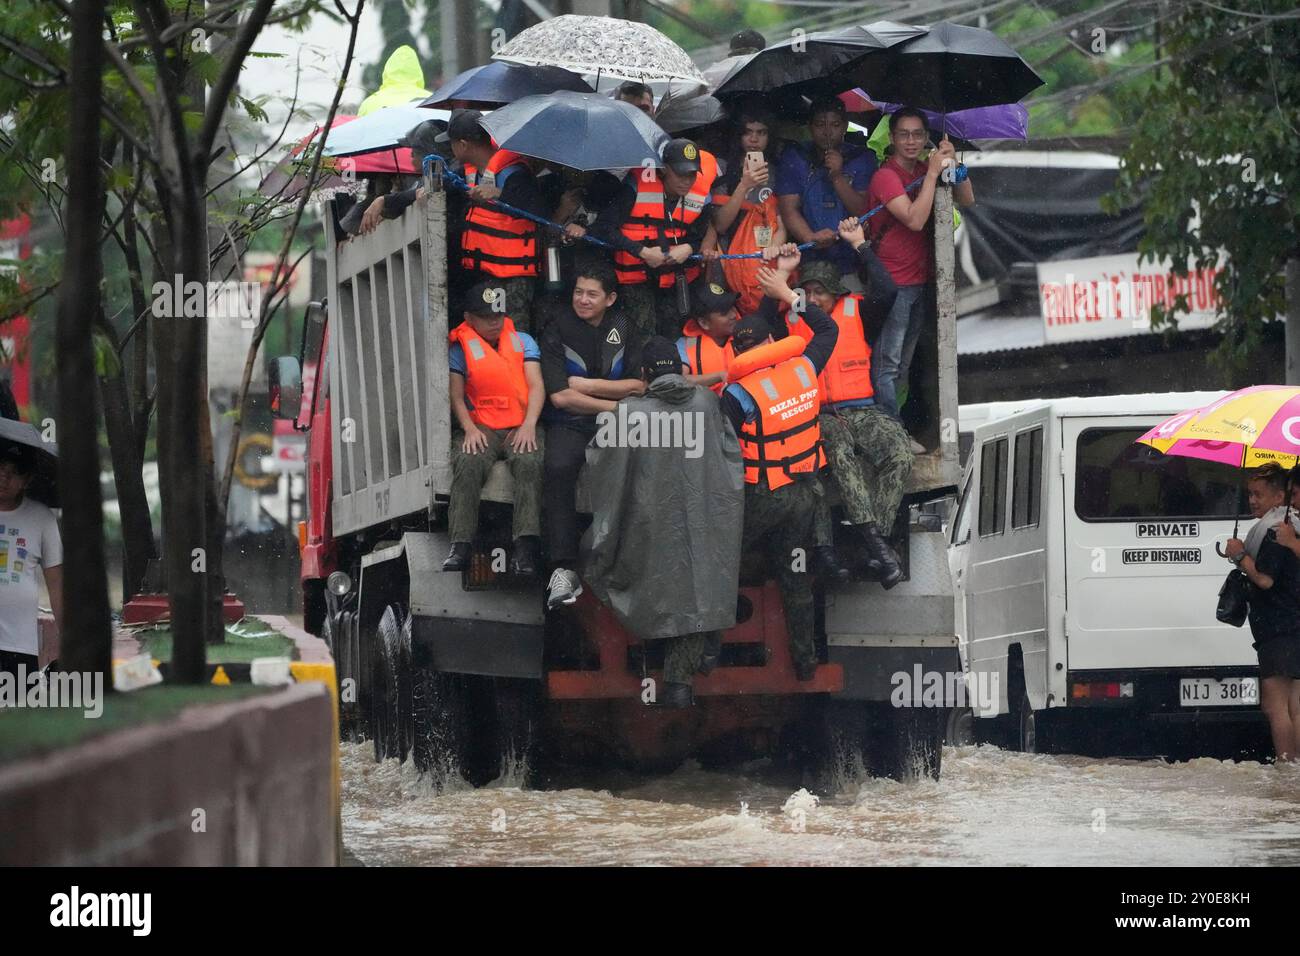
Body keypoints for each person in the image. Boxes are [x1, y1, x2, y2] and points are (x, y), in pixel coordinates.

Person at [581, 337, 744, 709]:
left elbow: (600, 468)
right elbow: (732, 456)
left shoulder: (628, 413)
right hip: (702, 522)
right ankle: (684, 677)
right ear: (683, 371)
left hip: (646, 527)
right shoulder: (708, 404)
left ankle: (666, 667)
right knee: (699, 588)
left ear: (643, 375)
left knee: (651, 583)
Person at [719, 246, 838, 680]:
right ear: (771, 343)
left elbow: (722, 452)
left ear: (737, 351)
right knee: (794, 576)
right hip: (804, 496)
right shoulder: (805, 368)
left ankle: (709, 652)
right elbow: (826, 330)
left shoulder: (737, 394)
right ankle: (805, 661)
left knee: (722, 564)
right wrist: (789, 295)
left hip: (762, 498)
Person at [781, 219, 909, 587]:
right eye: (807, 292)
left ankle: (877, 539)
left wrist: (861, 246)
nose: (814, 298)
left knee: (899, 452)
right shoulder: (792, 321)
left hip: (863, 409)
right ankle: (876, 547)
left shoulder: (859, 313)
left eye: (820, 291)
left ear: (836, 292)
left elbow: (887, 290)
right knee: (841, 458)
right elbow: (756, 320)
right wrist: (783, 273)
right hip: (818, 415)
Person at [541, 261, 646, 608]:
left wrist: (588, 386)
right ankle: (563, 570)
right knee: (558, 467)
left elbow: (639, 385)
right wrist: (614, 404)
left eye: (592, 294)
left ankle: (631, 559)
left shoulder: (624, 327)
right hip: (569, 422)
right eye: (578, 292)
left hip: (613, 425)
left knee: (640, 470)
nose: (583, 300)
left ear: (610, 298)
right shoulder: (556, 325)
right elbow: (560, 396)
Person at [865, 108, 975, 430]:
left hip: (919, 281)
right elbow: (914, 220)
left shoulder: (931, 167)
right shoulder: (885, 176)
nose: (911, 141)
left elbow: (967, 199)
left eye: (917, 134)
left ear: (926, 137)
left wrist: (954, 164)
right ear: (893, 139)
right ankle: (889, 432)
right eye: (903, 134)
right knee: (887, 363)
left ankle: (891, 424)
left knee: (903, 365)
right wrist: (931, 175)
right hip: (892, 284)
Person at [442, 282, 546, 575]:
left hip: (520, 426)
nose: (494, 322)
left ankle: (525, 547)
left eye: (498, 316)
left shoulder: (523, 341)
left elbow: (536, 385)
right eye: (486, 317)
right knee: (468, 461)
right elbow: (456, 395)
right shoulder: (460, 348)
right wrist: (469, 429)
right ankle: (460, 544)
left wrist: (529, 425)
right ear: (469, 317)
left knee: (529, 462)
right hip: (482, 427)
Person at [592, 138, 718, 340]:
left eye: (692, 174)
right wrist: (643, 252)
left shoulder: (699, 197)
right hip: (635, 281)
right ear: (665, 169)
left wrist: (688, 248)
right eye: (680, 174)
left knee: (673, 336)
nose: (687, 181)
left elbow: (699, 237)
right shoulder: (636, 187)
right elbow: (602, 228)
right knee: (642, 338)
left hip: (673, 282)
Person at [439, 109, 548, 330]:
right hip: (483, 273)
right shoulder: (466, 172)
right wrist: (387, 201)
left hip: (513, 279)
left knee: (514, 334)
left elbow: (538, 211)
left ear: (463, 145)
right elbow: (441, 185)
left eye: (451, 143)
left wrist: (500, 195)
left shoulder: (516, 173)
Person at [1224, 463, 1300, 763]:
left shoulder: (1274, 531)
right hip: (1293, 625)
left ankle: (1286, 768)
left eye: (1258, 494)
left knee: (1275, 706)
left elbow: (1265, 579)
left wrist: (1240, 555)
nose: (1252, 500)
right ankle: (1296, 774)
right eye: (1249, 494)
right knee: (1295, 706)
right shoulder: (1292, 526)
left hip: (1278, 629)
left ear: (1279, 495)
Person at [776, 97, 874, 289]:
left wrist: (837, 176)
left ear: (845, 126)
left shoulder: (862, 157)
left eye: (835, 125)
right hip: (808, 262)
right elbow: (788, 209)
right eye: (820, 124)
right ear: (810, 127)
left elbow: (863, 209)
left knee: (850, 314)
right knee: (807, 314)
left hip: (851, 261)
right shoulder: (795, 156)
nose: (827, 132)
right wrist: (809, 237)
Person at [701, 104, 785, 316]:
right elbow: (719, 224)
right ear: (738, 136)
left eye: (761, 133)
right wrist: (744, 185)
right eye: (748, 132)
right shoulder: (724, 168)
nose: (754, 140)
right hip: (727, 259)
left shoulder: (778, 172)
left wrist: (773, 249)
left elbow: (783, 223)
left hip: (763, 260)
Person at [0, 444, 62, 684]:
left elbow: (57, 587)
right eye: (0, 466)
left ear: (27, 480)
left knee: (20, 712)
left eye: (14, 471)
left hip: (20, 645)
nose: (4, 477)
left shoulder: (41, 518)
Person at [677, 279, 737, 393]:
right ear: (704, 323)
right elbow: (680, 380)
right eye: (724, 313)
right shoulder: (684, 345)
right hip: (708, 405)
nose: (733, 315)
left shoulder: (747, 334)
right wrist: (719, 376)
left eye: (732, 307)